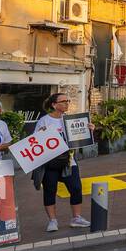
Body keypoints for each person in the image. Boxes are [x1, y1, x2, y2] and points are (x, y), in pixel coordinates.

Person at [35, 93, 90, 231]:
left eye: (68, 100)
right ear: (54, 105)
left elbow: (79, 138)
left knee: (76, 188)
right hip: (49, 161)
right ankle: (52, 221)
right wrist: (40, 134)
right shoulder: (44, 121)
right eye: (63, 101)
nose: (67, 103)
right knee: (49, 190)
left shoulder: (70, 120)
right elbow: (35, 141)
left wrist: (88, 131)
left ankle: (76, 218)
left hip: (68, 160)